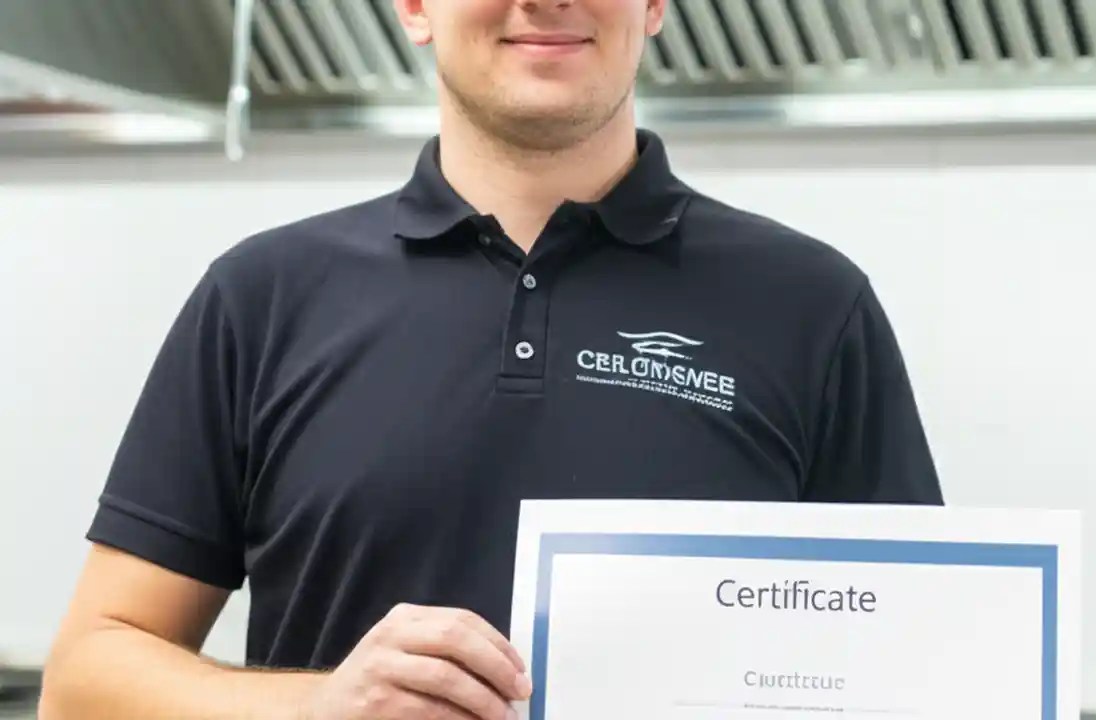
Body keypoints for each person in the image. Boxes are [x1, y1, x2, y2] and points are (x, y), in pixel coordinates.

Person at [38, 1, 942, 718]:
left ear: (655, 4)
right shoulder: (262, 297)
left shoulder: (812, 307)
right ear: (413, 6)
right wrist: (317, 706)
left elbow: (920, 671)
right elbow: (82, 683)